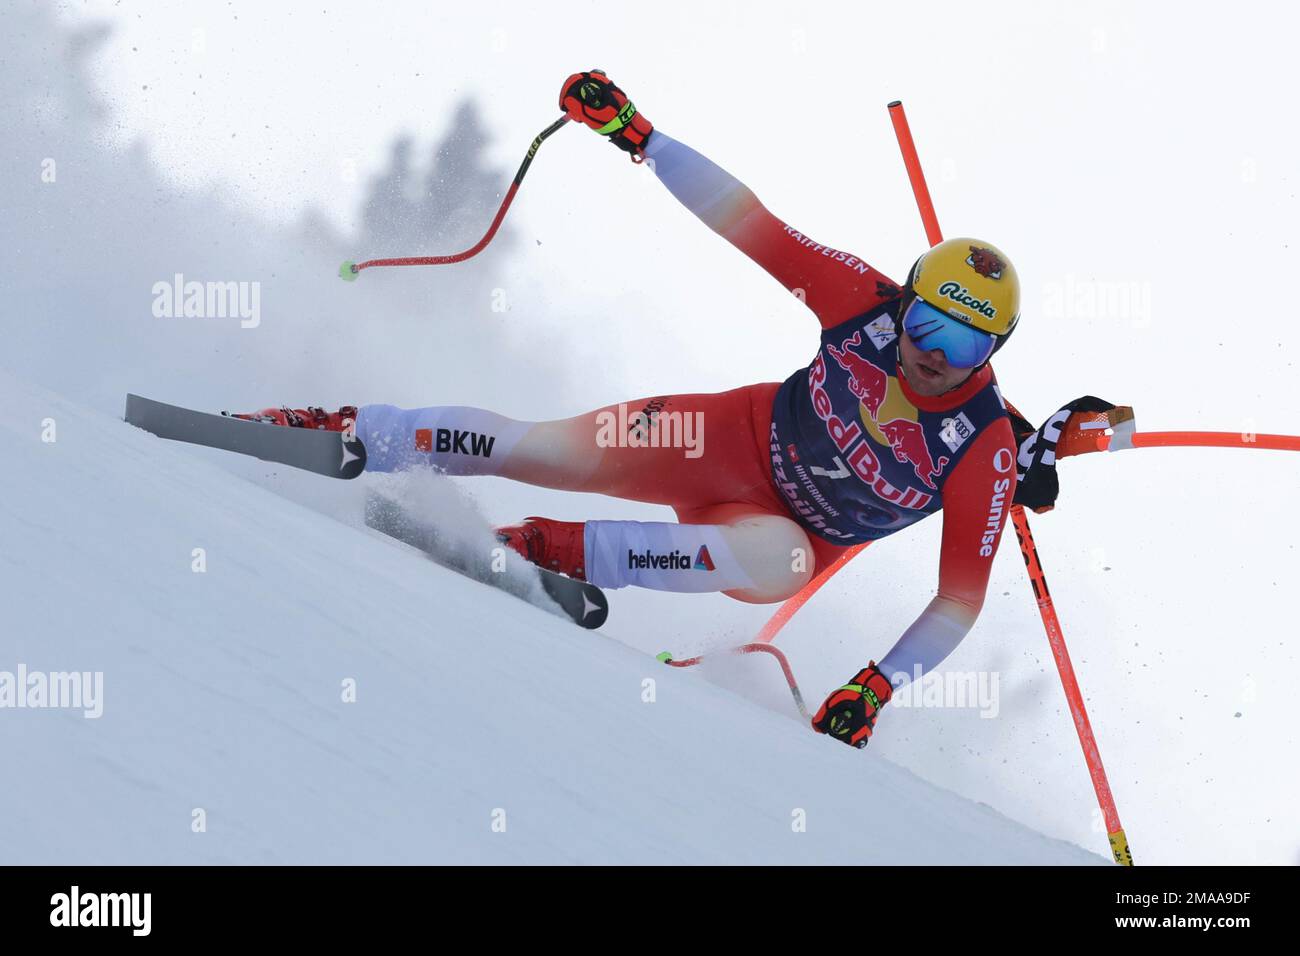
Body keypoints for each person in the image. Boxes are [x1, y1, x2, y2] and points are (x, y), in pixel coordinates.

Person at [235, 70, 1024, 748]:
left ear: (995, 354)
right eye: (926, 323)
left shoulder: (983, 449)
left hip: (779, 537)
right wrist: (638, 136)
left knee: (779, 560)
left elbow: (958, 600)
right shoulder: (861, 301)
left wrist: (874, 689)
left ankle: (545, 550)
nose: (932, 353)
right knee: (545, 451)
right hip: (721, 439)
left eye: (966, 346)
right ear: (905, 297)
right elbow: (748, 221)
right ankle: (348, 430)